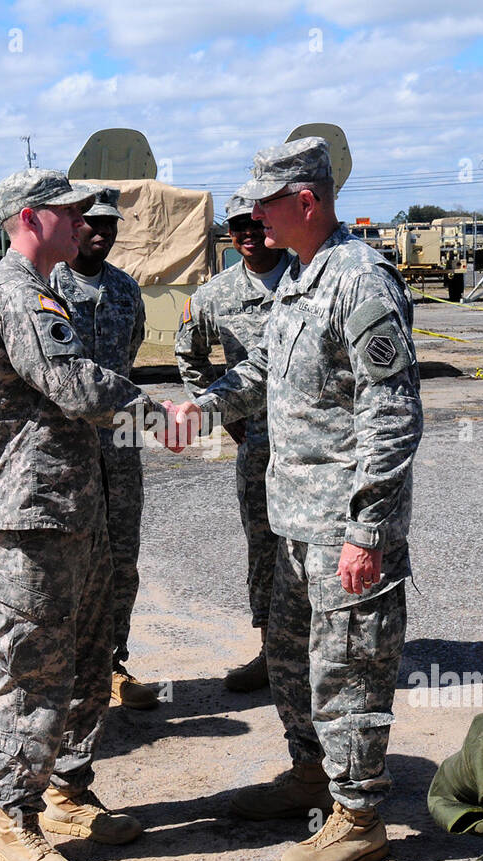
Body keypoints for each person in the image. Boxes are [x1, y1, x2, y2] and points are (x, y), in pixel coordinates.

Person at [172, 139, 423, 861]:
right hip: (294, 520)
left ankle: (358, 814)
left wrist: (369, 528)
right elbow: (265, 371)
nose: (254, 217)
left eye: (265, 204)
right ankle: (312, 774)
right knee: (291, 660)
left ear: (306, 201)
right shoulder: (301, 277)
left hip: (343, 524)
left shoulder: (359, 279)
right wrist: (206, 405)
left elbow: (393, 412)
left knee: (351, 666)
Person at [0, 168, 175, 861]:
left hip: (76, 506)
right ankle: (13, 820)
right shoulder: (19, 294)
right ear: (31, 217)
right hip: (34, 513)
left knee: (88, 659)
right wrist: (157, 414)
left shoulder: (46, 291)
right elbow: (76, 383)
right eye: (67, 212)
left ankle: (66, 789)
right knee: (34, 668)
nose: (82, 222)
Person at [174, 193, 290, 692]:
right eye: (237, 225)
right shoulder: (214, 295)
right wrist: (221, 413)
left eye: (255, 223)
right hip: (259, 442)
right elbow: (189, 353)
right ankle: (271, 651)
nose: (247, 233)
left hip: (321, 440)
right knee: (264, 547)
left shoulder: (308, 277)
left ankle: (323, 649)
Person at [49, 187, 159, 711]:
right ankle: (66, 669)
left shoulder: (125, 290)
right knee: (68, 560)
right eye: (91, 222)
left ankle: (111, 663)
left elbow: (129, 355)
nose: (101, 232)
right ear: (72, 225)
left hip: (120, 443)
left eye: (110, 225)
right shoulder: (46, 286)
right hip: (64, 448)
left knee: (121, 557)